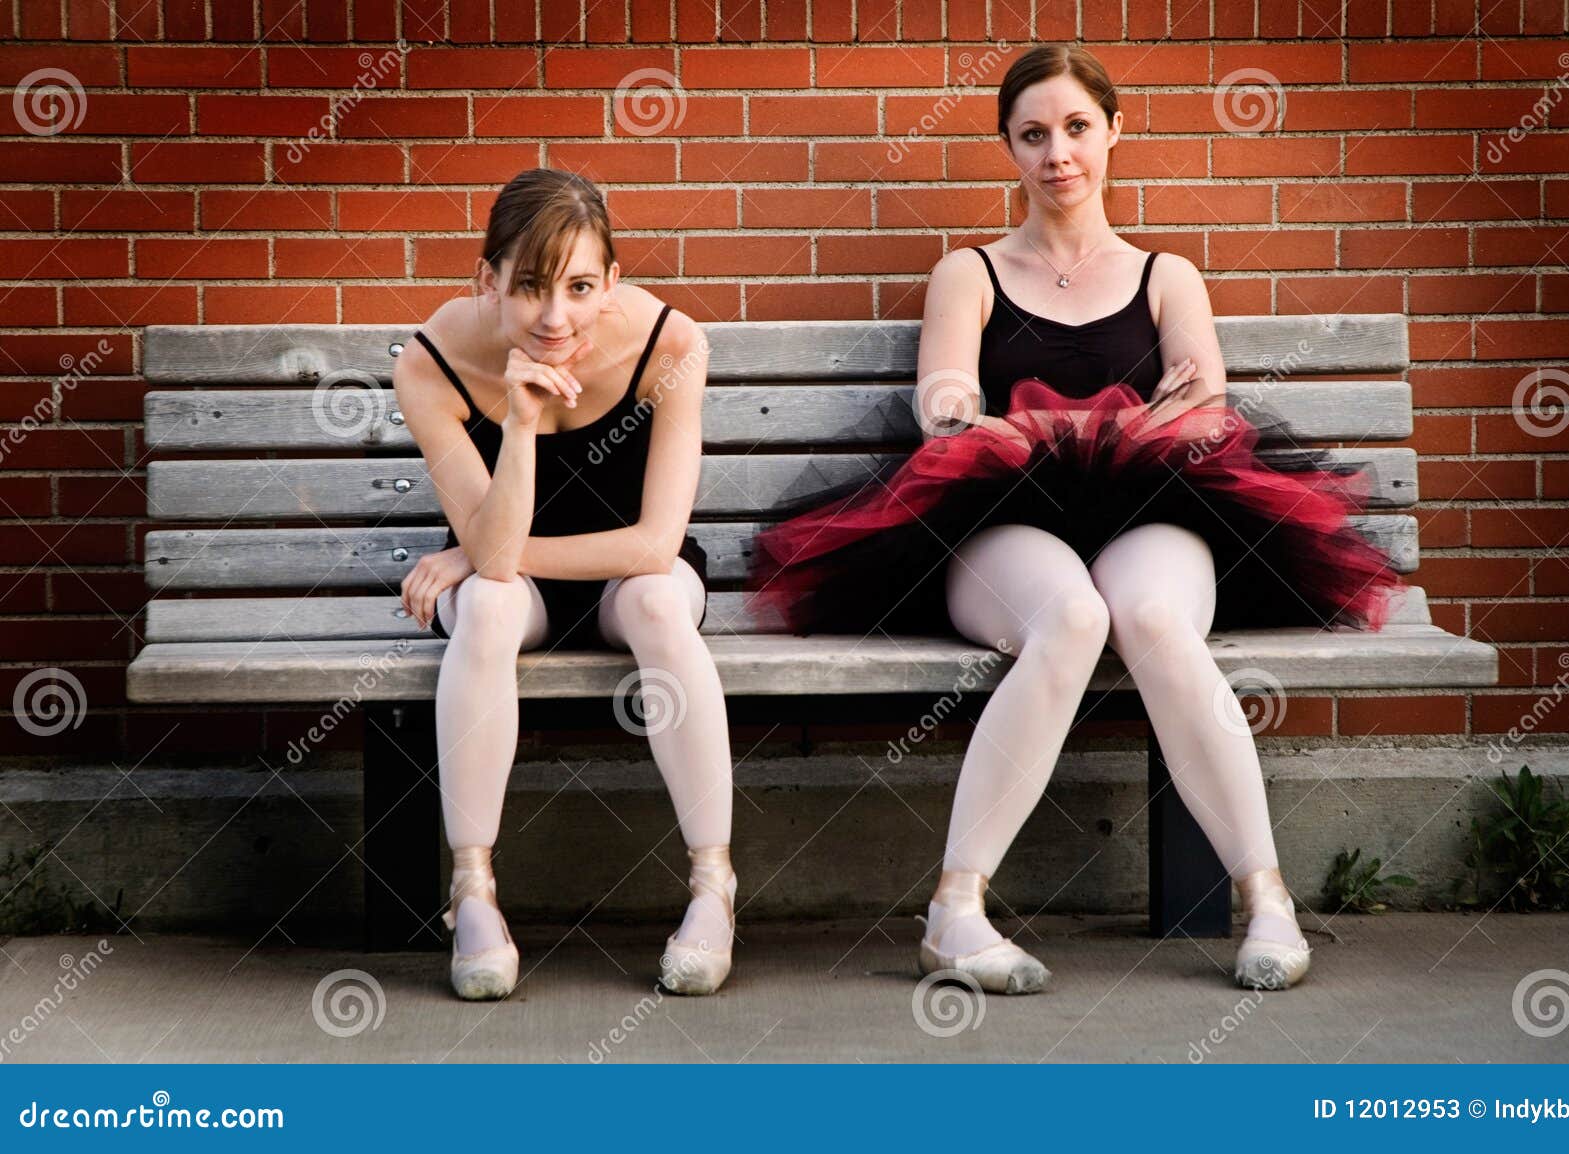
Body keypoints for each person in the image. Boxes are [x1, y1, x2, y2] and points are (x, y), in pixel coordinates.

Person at [745, 45, 1405, 993]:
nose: (1059, 154)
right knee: (1074, 617)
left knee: (1149, 616)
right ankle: (957, 914)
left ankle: (1265, 899)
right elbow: (946, 401)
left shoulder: (1166, 275)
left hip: (1155, 510)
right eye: (1034, 135)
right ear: (1008, 149)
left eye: (1077, 128)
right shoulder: (967, 272)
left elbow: (1206, 413)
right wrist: (1081, 414)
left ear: (1114, 132)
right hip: (1001, 515)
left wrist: (1039, 420)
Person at [392, 168, 736, 1000]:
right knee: (486, 604)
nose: (556, 317)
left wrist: (480, 549)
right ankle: (472, 894)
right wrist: (519, 420)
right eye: (531, 288)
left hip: (634, 575)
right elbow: (501, 568)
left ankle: (713, 887)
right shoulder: (432, 364)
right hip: (517, 593)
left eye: (582, 287)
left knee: (656, 602)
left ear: (612, 282)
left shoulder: (672, 345)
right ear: (488, 282)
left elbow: (656, 543)